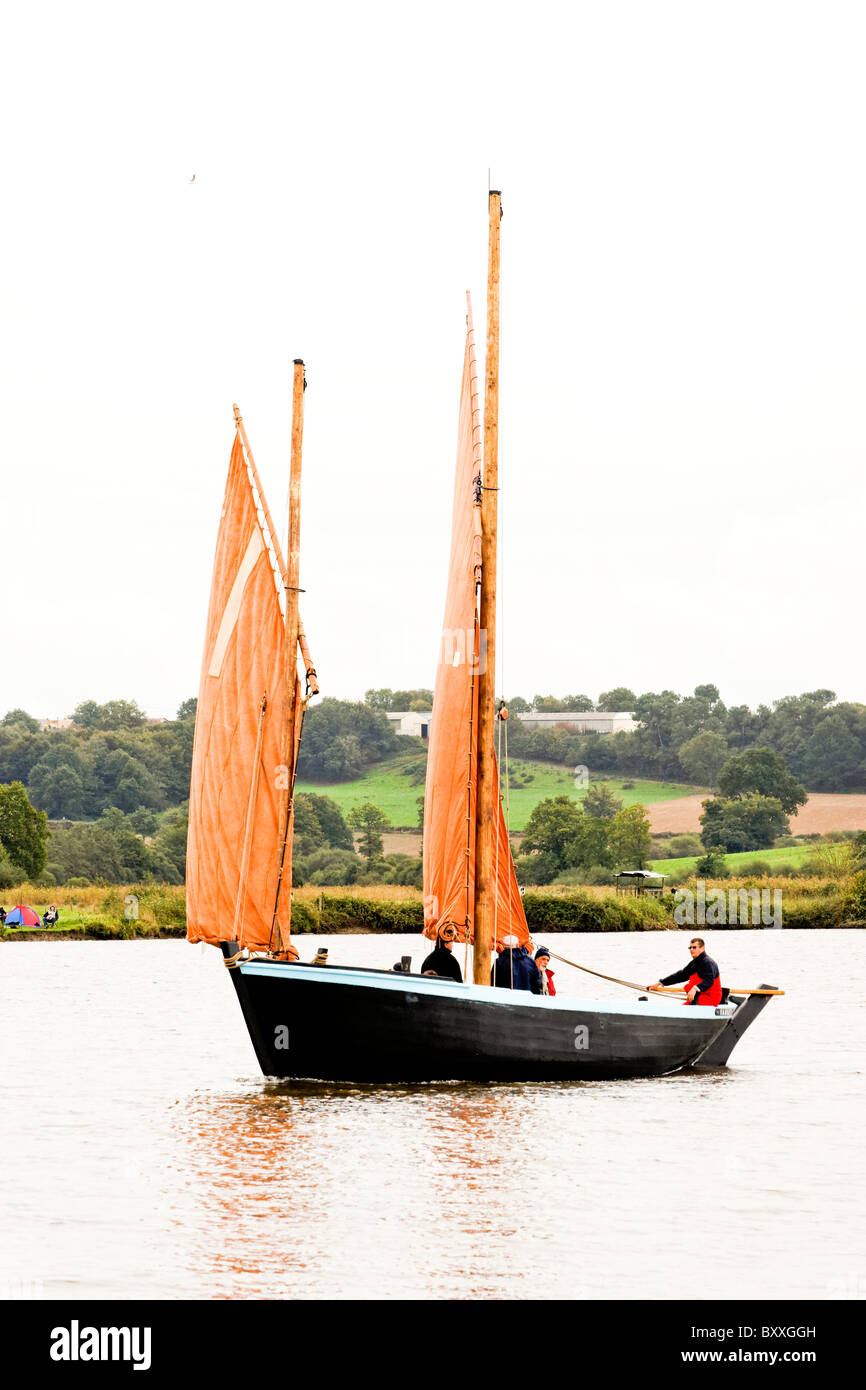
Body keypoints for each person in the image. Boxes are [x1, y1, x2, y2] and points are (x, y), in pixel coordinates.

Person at [647, 936, 722, 1006]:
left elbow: (709, 980)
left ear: (702, 948)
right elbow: (680, 976)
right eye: (690, 948)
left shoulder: (708, 962)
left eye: (694, 947)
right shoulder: (694, 963)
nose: (691, 950)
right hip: (698, 997)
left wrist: (694, 989)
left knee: (682, 1009)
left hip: (710, 999)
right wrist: (660, 983)